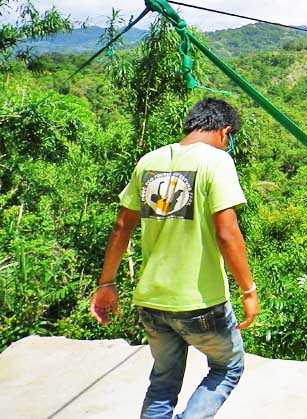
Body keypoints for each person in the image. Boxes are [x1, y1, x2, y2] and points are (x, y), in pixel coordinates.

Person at [90, 98, 259, 419]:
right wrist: (248, 291)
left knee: (163, 382)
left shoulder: (149, 161)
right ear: (225, 132)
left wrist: (106, 283)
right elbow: (227, 233)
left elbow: (121, 227)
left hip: (151, 301)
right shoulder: (217, 161)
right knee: (228, 367)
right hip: (200, 303)